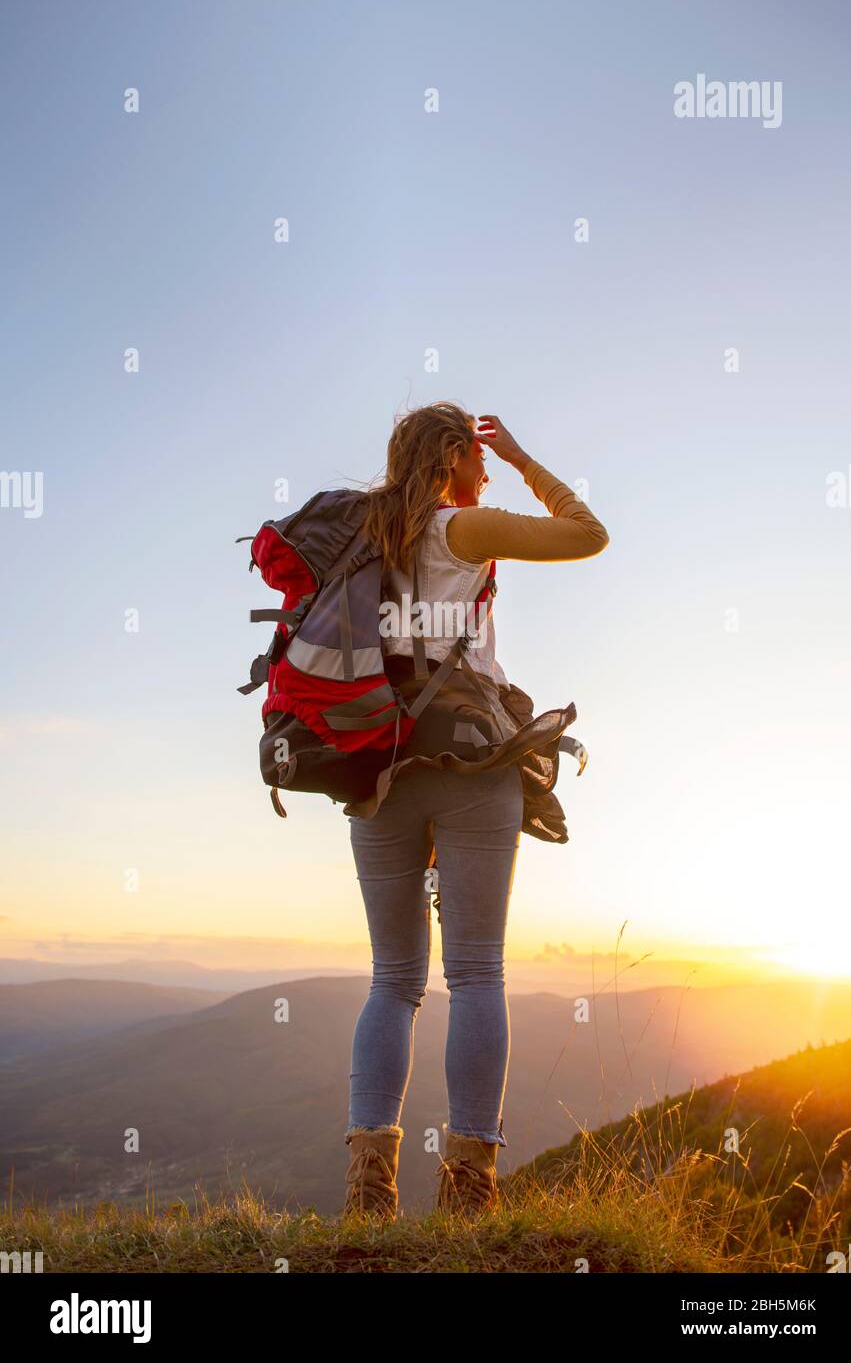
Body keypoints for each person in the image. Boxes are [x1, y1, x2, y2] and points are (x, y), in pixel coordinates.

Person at [342, 402, 609, 1219]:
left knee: (392, 980)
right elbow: (587, 531)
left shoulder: (355, 534)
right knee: (476, 973)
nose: (485, 475)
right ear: (455, 454)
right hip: (469, 759)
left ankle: (368, 1190)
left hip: (375, 768)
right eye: (480, 459)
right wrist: (525, 456)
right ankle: (468, 1190)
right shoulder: (467, 529)